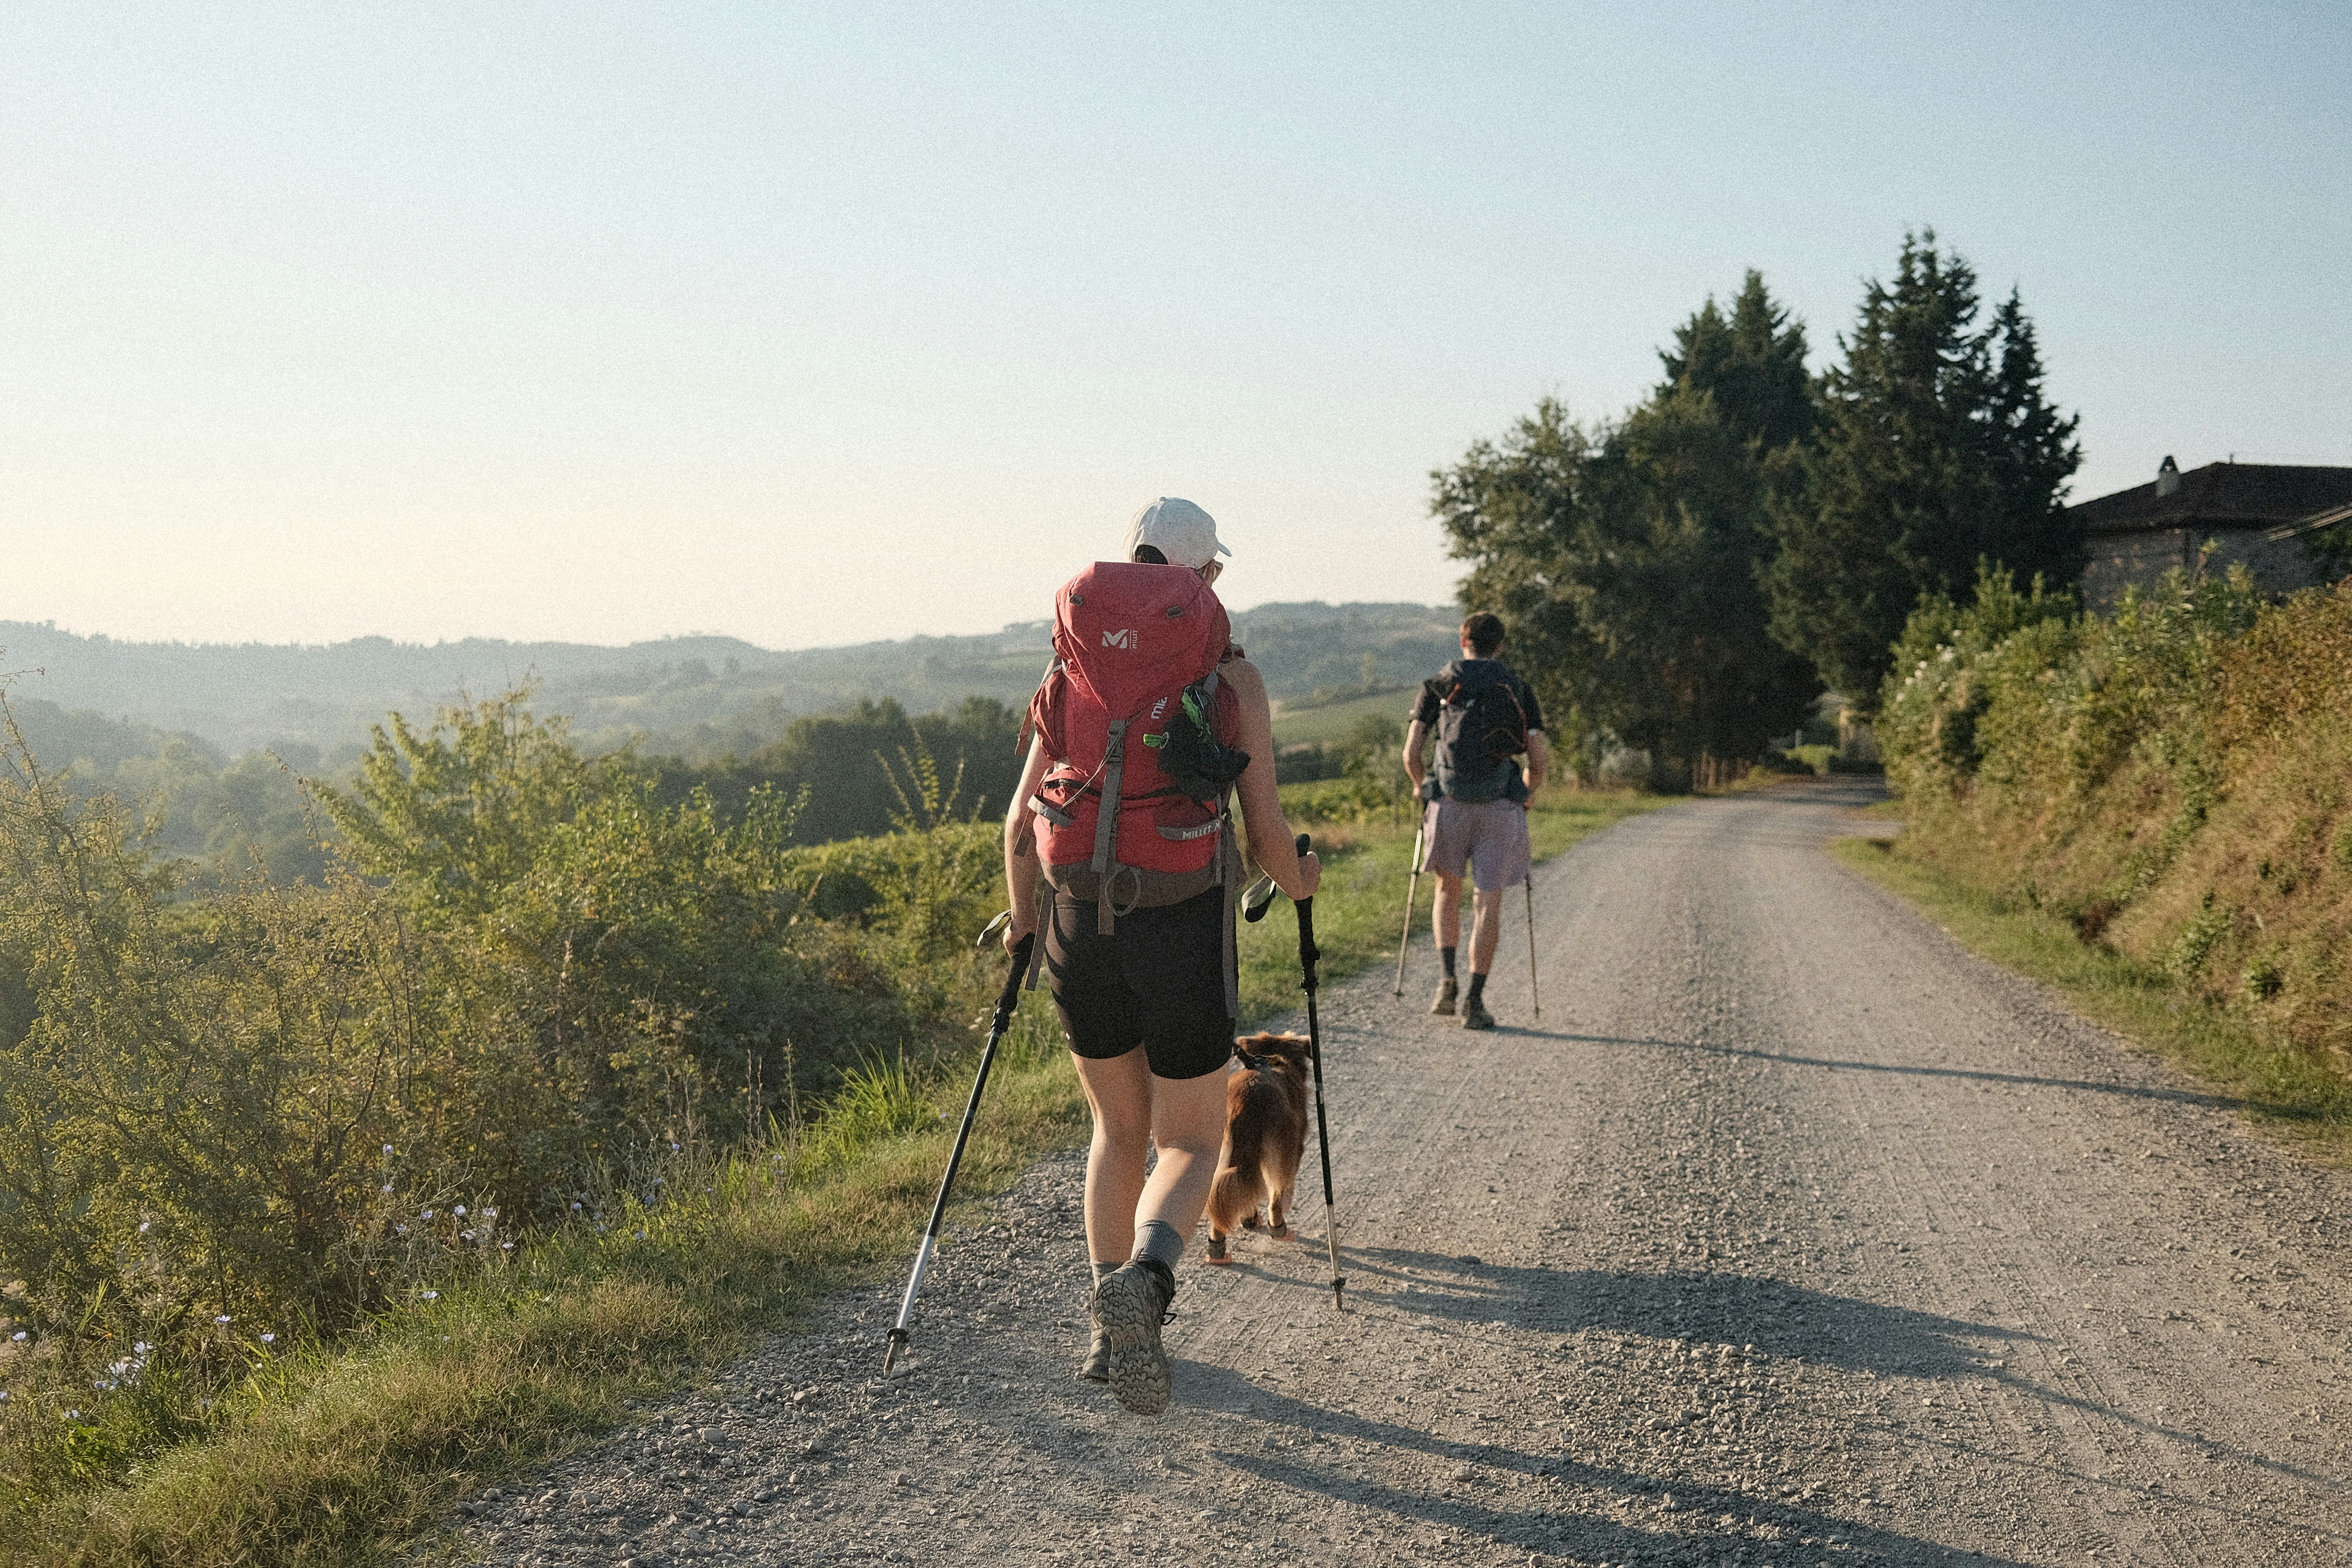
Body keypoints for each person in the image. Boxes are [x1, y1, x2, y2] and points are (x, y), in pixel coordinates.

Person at [1001, 496, 1320, 1416]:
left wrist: (1025, 924)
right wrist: (1300, 879)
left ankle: (1108, 1328)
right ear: (1204, 580)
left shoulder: (1067, 668)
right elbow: (1266, 837)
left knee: (1116, 1131)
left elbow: (1019, 826)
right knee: (1191, 1136)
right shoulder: (1234, 682)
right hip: (1181, 924)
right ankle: (1145, 1281)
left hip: (1075, 921)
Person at [1401, 612, 1549, 1030]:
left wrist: (1420, 786)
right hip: (1500, 807)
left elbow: (1412, 753)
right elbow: (1537, 762)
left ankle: (1447, 981)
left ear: (1462, 639)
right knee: (1489, 901)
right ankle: (1475, 1001)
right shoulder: (1518, 687)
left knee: (1447, 891)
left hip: (1449, 803)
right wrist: (1527, 793)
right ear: (1499, 644)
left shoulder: (1438, 685)